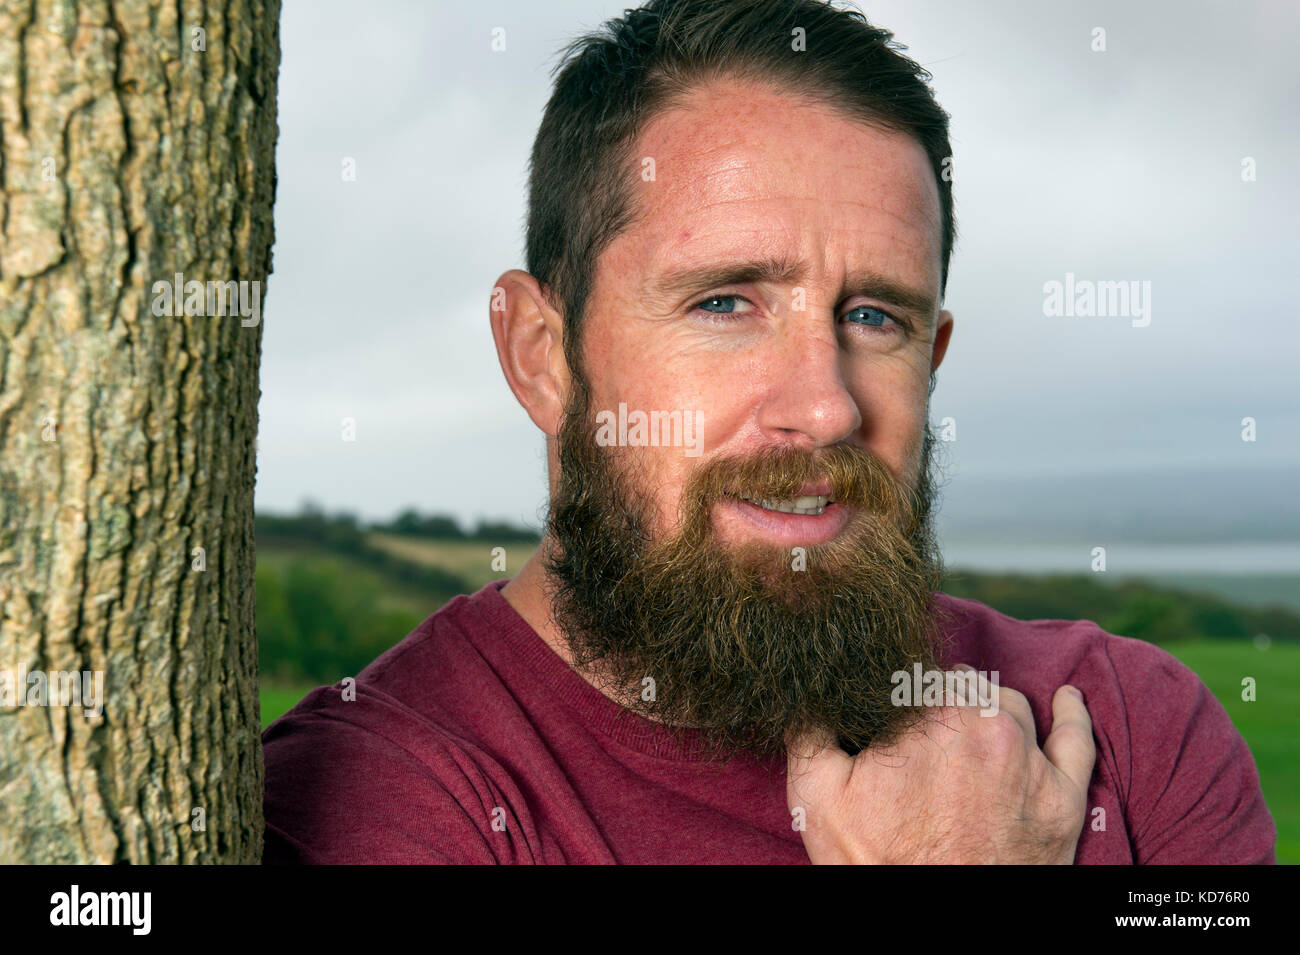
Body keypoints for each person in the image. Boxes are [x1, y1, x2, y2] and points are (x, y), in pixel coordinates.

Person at [263, 0, 1275, 864]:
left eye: (875, 317)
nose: (826, 407)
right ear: (541, 353)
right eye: (724, 303)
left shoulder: (1129, 730)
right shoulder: (373, 805)